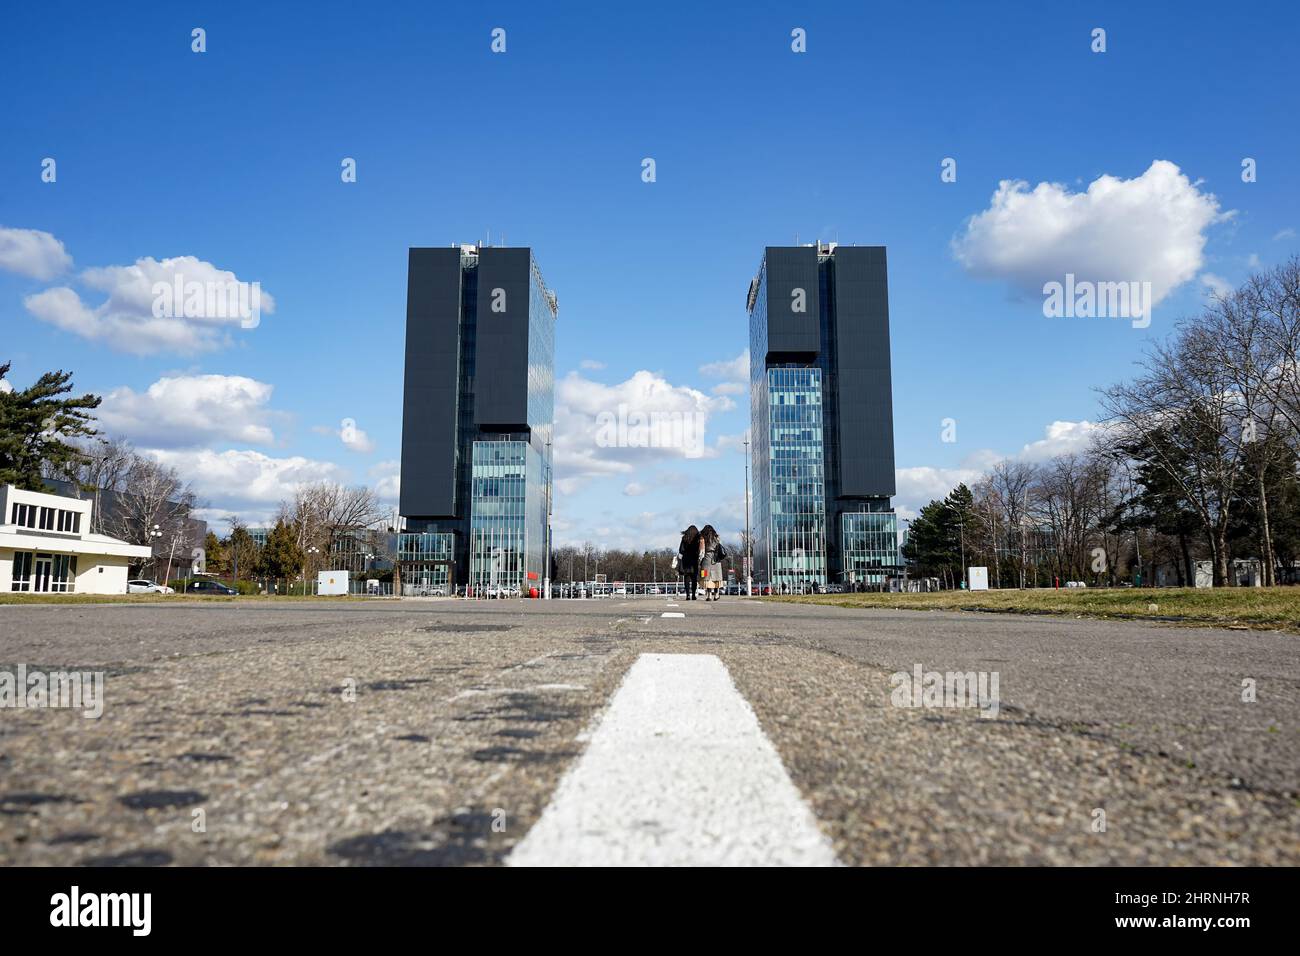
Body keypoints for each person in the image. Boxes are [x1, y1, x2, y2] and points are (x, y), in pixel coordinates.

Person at [699, 524, 726, 602]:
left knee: (706, 578)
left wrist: (699, 561)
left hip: (706, 560)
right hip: (716, 560)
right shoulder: (717, 537)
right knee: (717, 578)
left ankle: (709, 595)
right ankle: (717, 594)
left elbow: (701, 551)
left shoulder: (702, 538)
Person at [678, 525, 702, 601]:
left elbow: (681, 550)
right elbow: (699, 549)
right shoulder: (697, 538)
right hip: (694, 560)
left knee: (687, 578)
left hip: (686, 560)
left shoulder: (684, 538)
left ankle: (688, 595)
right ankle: (694, 595)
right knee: (694, 578)